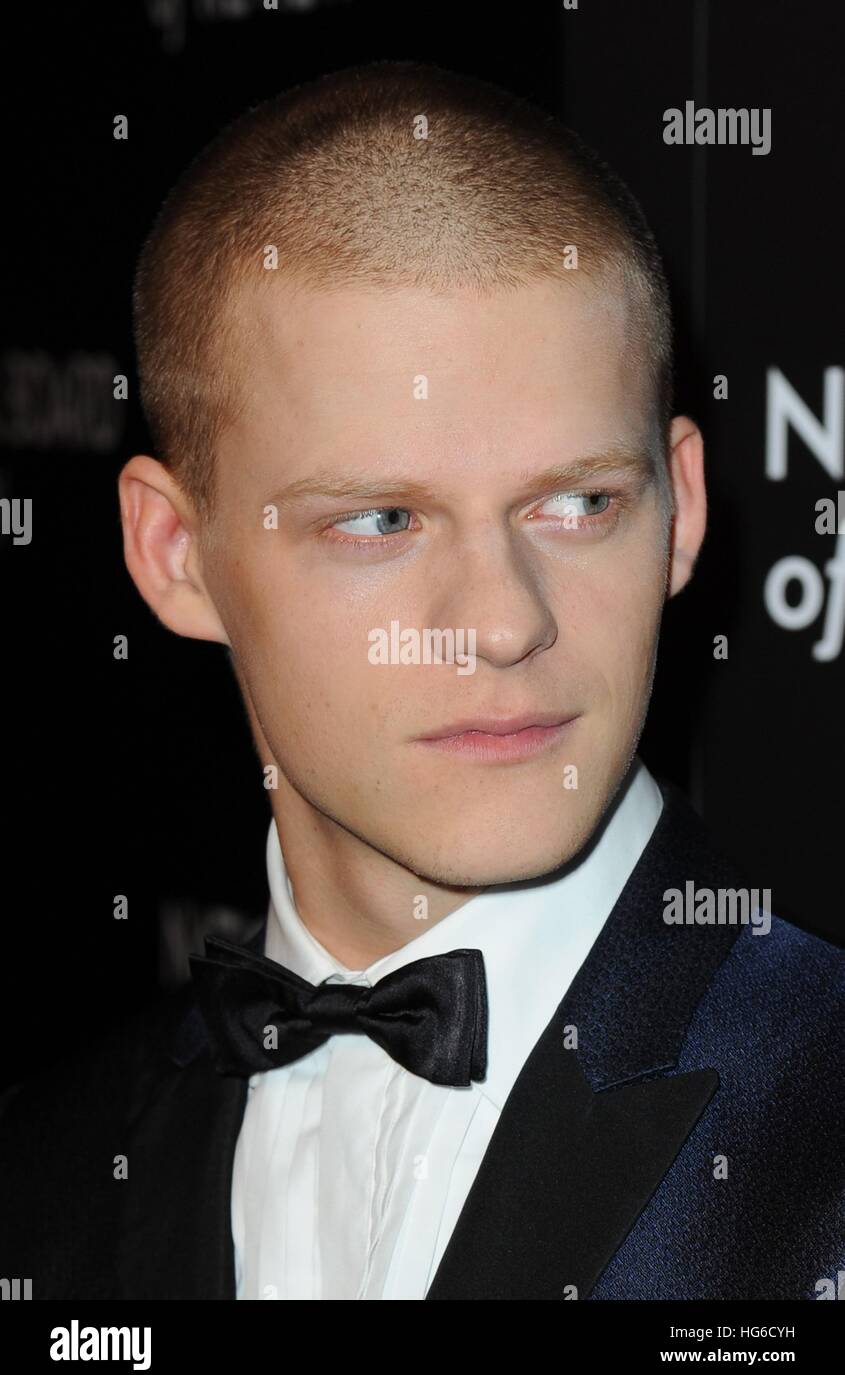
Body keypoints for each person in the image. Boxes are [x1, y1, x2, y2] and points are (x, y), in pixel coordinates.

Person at [0, 59, 841, 1301]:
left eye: (576, 503)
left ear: (680, 510)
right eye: (383, 519)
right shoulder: (43, 1173)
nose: (501, 624)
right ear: (175, 555)